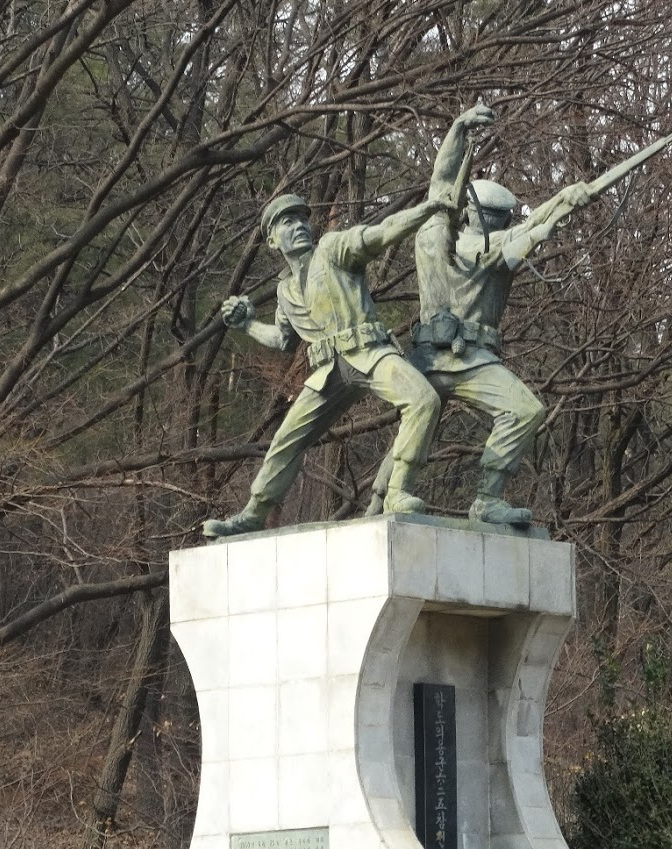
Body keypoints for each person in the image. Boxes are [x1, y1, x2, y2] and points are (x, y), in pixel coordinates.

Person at [368, 105, 595, 525]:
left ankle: (481, 497)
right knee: (426, 415)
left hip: (466, 361)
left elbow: (455, 193)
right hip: (439, 358)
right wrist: (566, 202)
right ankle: (392, 495)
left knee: (520, 410)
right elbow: (453, 192)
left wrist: (567, 201)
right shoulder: (449, 238)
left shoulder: (463, 238)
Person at [203, 185, 455, 538]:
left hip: (368, 352)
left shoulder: (333, 249)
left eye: (303, 219)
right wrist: (247, 324)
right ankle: (254, 512)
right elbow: (282, 340)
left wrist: (425, 209)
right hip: (328, 373)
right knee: (285, 441)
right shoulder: (286, 290)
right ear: (273, 240)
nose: (299, 226)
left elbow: (381, 233)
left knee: (423, 400)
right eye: (287, 222)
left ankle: (397, 492)